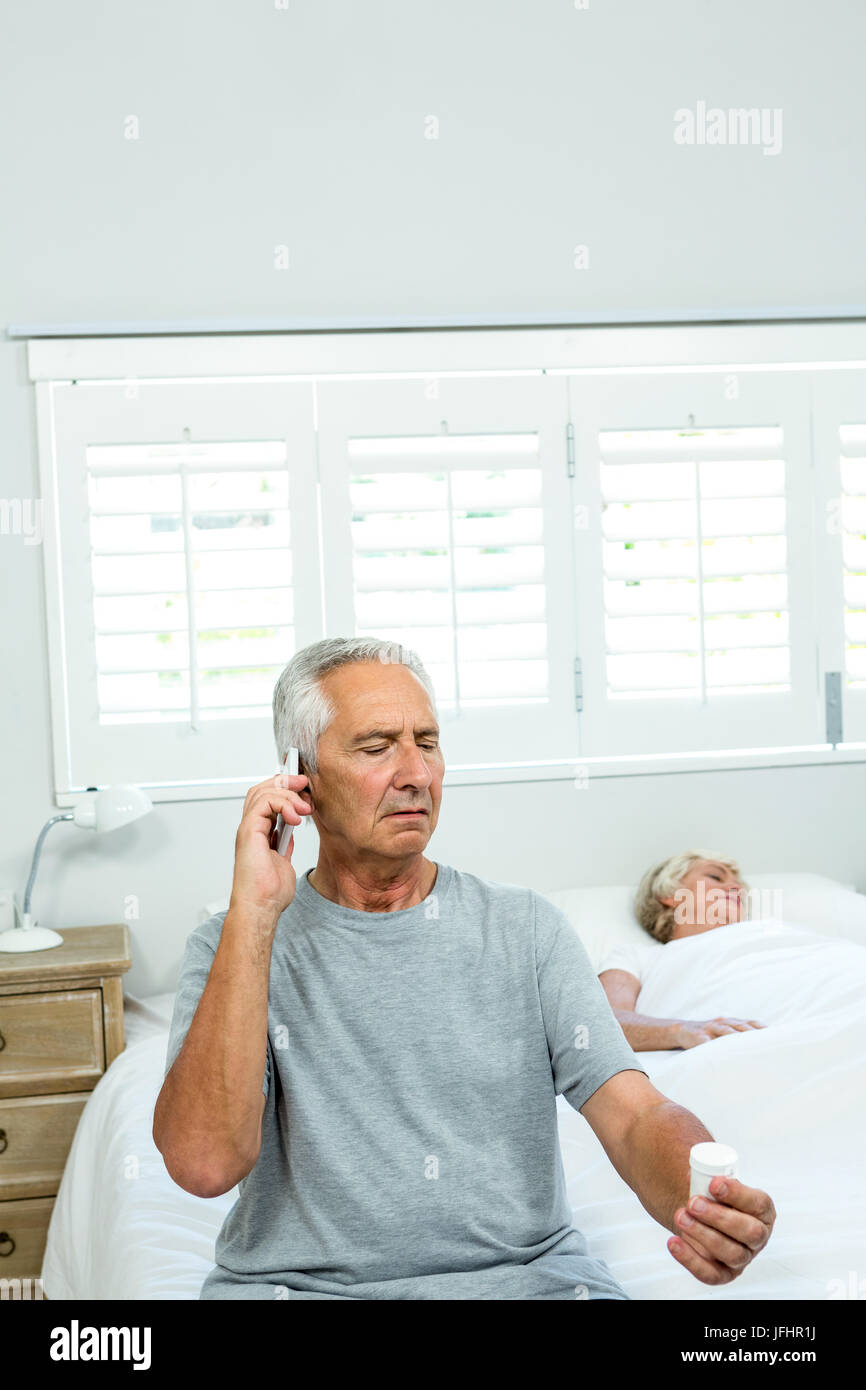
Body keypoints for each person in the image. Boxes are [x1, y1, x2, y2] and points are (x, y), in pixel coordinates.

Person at [153, 639, 776, 1300]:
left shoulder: (525, 928)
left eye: (428, 741)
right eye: (376, 746)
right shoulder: (233, 946)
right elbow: (203, 1163)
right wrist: (253, 916)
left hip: (527, 1285)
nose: (416, 772)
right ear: (297, 775)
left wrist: (705, 1201)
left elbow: (634, 1115)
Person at [598, 853, 767, 1051]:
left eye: (740, 886)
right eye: (715, 877)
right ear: (671, 895)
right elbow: (605, 1022)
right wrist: (682, 1030)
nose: (738, 889)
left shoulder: (773, 933)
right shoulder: (637, 957)